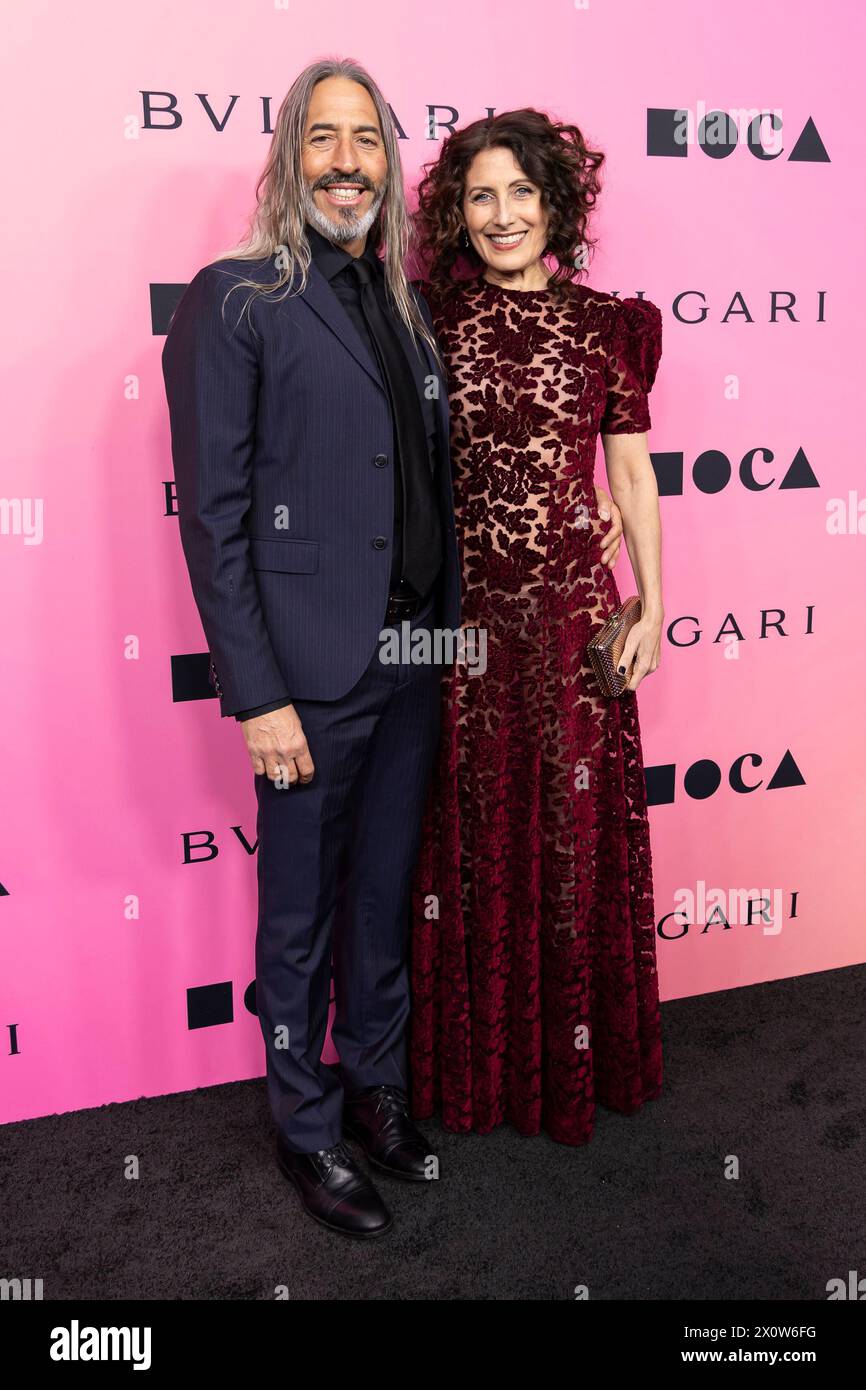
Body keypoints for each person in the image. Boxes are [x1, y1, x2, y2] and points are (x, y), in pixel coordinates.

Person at [161, 58, 466, 1239]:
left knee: (382, 896)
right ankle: (304, 1123)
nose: (347, 160)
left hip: (409, 662)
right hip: (304, 679)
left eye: (368, 141)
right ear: (288, 156)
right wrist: (259, 695)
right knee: (297, 915)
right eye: (322, 137)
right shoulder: (233, 297)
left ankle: (374, 1088)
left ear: (390, 166)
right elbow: (215, 517)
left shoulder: (408, 304)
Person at [409, 108, 665, 1146]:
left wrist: (652, 600)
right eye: (479, 194)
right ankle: (473, 1077)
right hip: (461, 632)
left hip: (570, 628)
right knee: (465, 850)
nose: (501, 214)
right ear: (454, 215)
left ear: (555, 204)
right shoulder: (424, 317)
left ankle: (570, 1070)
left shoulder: (611, 325)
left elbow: (632, 473)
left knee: (569, 846)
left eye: (520, 192)